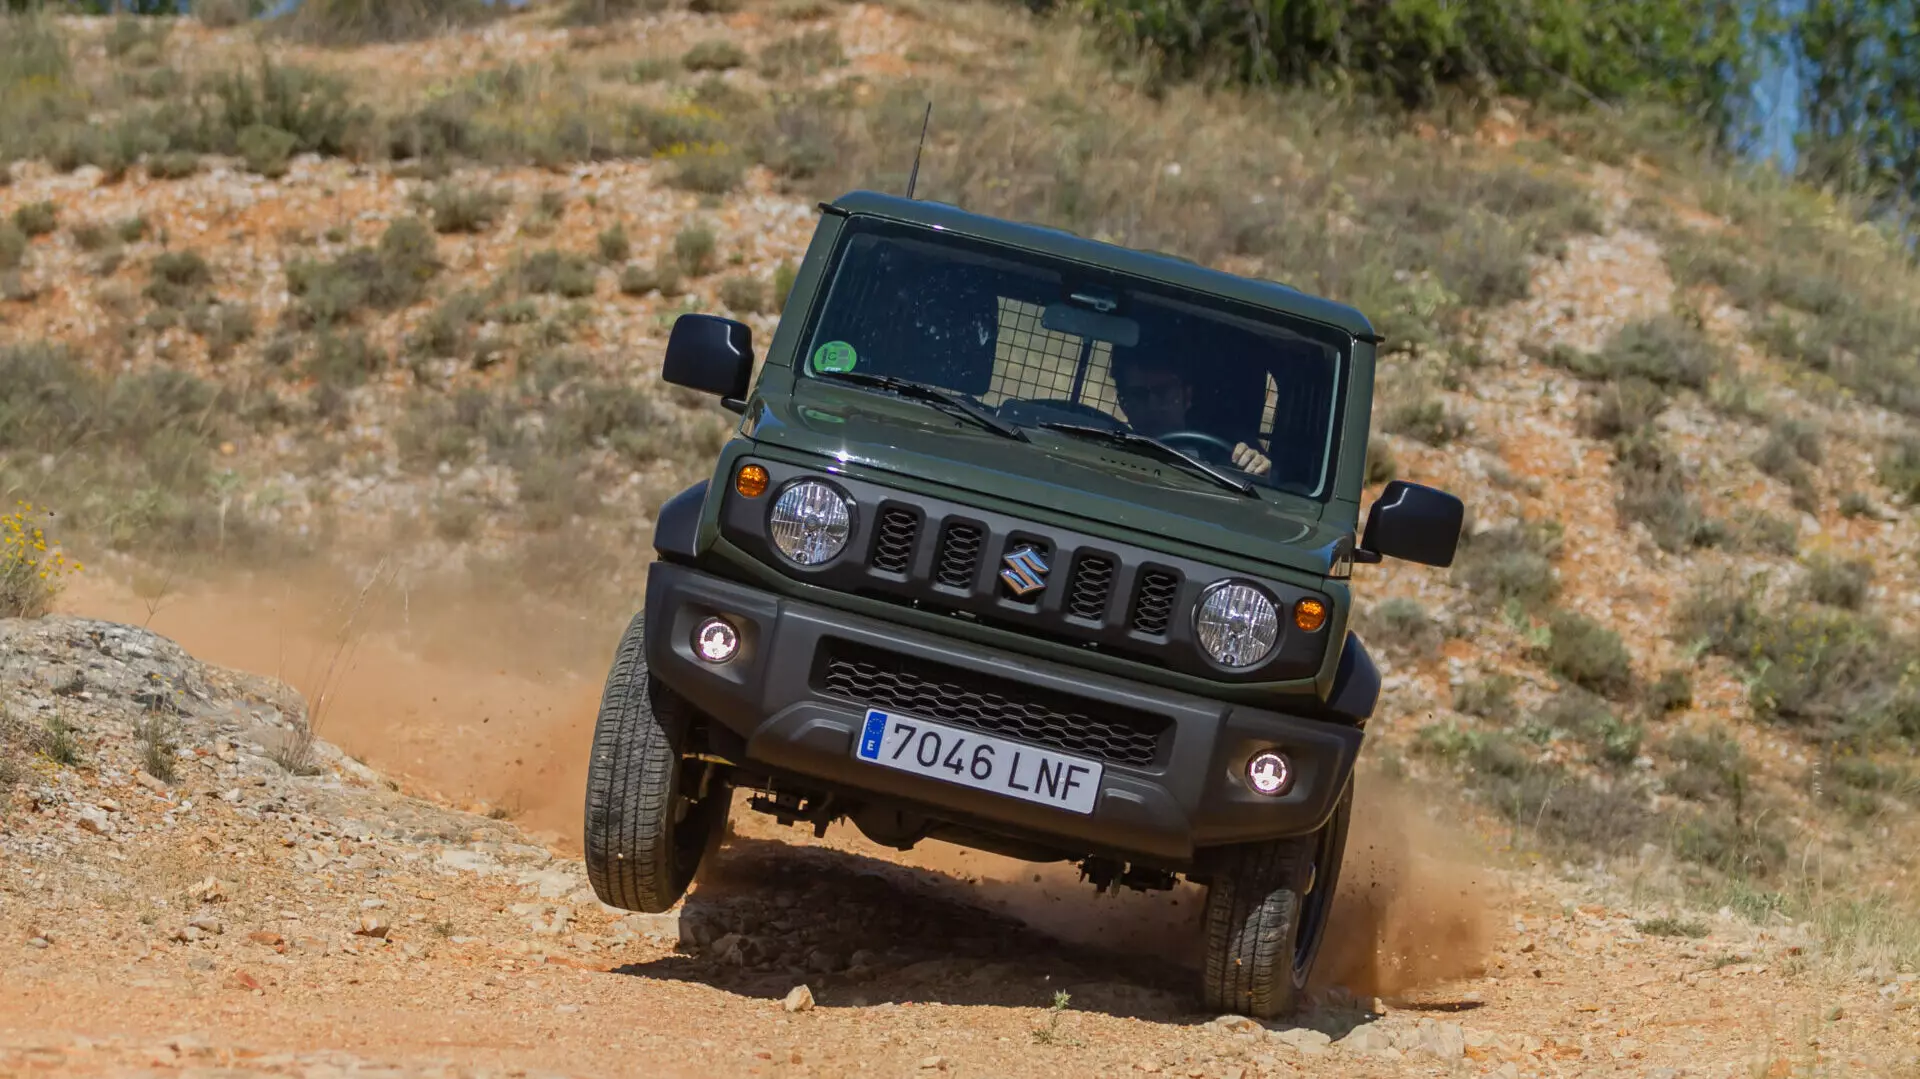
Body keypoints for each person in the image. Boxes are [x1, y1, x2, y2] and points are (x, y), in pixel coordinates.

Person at [1109, 350, 1272, 477]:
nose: (1153, 405)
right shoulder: (1106, 452)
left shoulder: (1226, 459)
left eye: (1163, 392)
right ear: (1124, 404)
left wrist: (1257, 471)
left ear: (1186, 396)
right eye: (1139, 395)